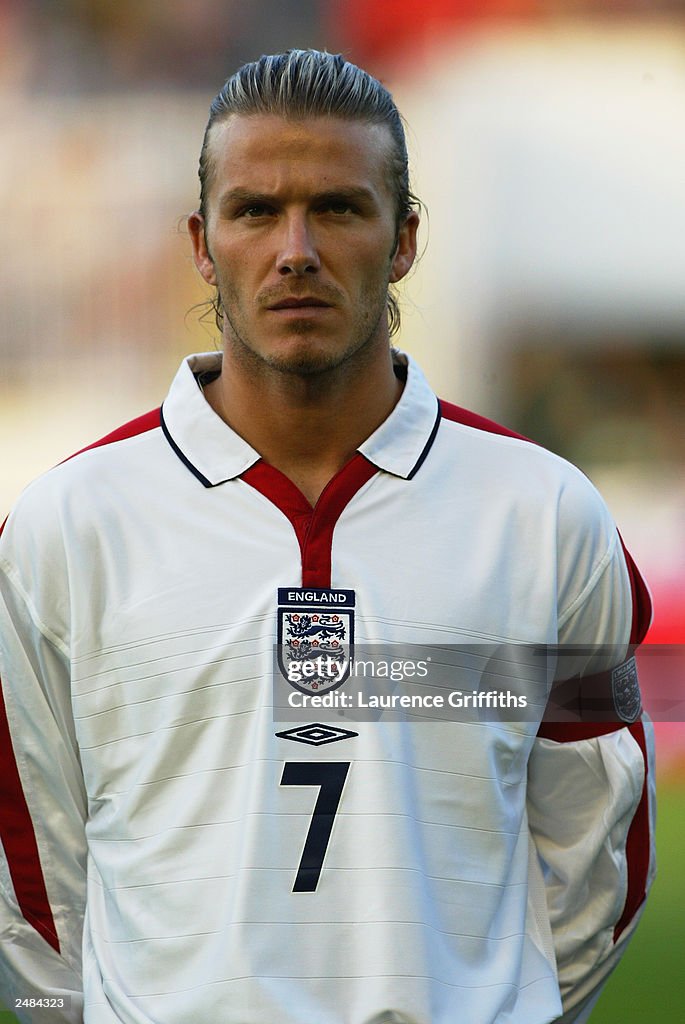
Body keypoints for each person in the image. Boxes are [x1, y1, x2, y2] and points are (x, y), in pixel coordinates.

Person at [0, 49, 655, 1024]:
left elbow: (598, 844)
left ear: (404, 241)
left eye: (339, 209)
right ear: (200, 240)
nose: (294, 249)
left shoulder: (542, 514)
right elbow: (34, 873)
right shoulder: (67, 525)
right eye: (255, 210)